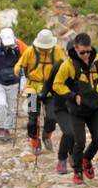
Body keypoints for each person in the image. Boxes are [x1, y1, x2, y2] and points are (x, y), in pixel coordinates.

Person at [49, 33, 98, 184]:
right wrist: (73, 96)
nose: (86, 55)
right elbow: (54, 84)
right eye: (82, 52)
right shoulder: (66, 65)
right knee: (77, 140)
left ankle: (86, 159)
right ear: (75, 48)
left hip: (93, 107)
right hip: (71, 108)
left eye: (88, 51)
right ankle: (77, 170)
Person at [16, 29, 66, 157]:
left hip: (50, 90)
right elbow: (18, 66)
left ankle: (46, 136)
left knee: (52, 117)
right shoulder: (29, 51)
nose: (44, 49)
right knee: (33, 119)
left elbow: (65, 66)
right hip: (32, 89)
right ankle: (34, 141)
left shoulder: (57, 51)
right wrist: (19, 71)